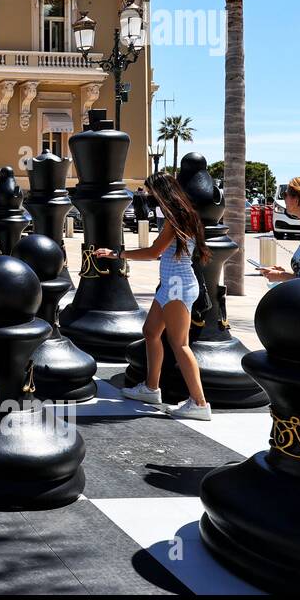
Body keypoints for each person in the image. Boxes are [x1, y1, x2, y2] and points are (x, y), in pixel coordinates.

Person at [94, 172, 213, 421]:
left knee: (180, 344)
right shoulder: (181, 213)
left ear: (161, 191)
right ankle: (150, 388)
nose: (148, 196)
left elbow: (153, 252)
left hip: (177, 286)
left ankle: (199, 403)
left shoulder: (176, 217)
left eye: (150, 192)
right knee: (151, 332)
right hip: (171, 284)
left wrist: (117, 254)